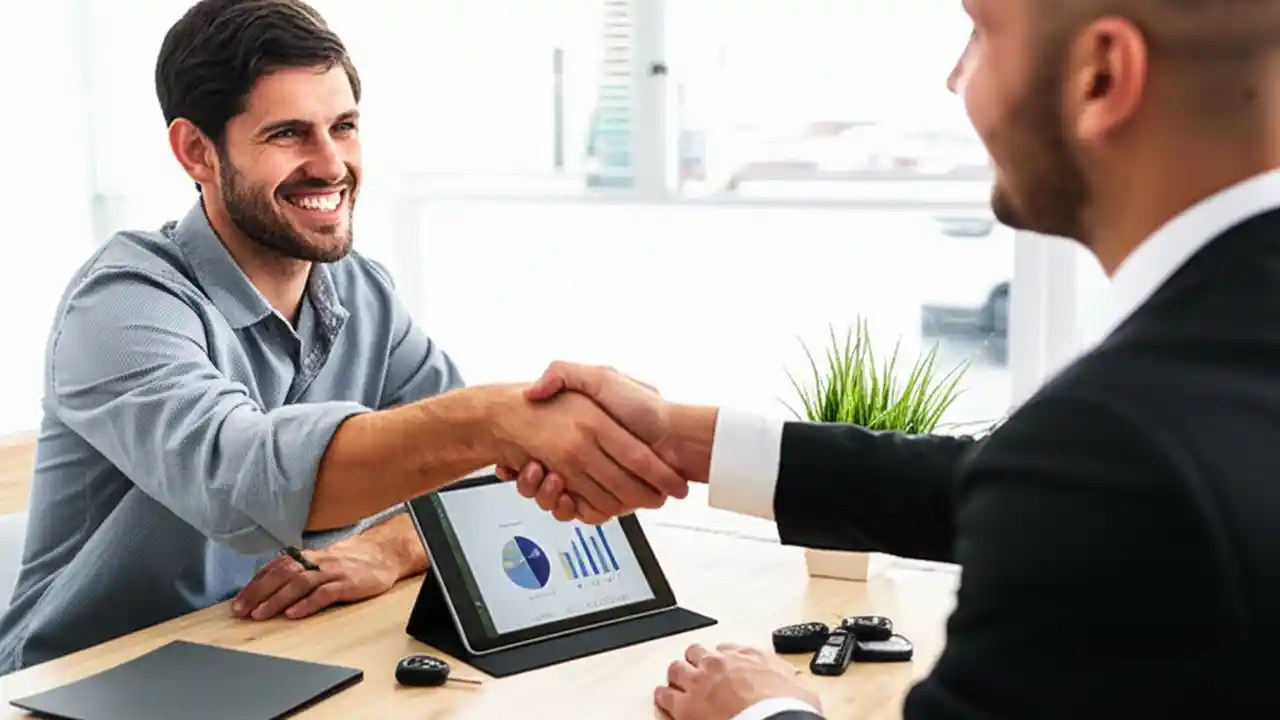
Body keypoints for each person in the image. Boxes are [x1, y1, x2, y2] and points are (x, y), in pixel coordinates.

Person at [506, 0, 1280, 717]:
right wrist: (685, 440)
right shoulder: (1215, 363)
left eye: (980, 31)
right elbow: (989, 485)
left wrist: (762, 709)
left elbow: (1076, 492)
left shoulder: (1113, 447)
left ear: (1101, 75)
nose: (954, 78)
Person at [0, 0, 688, 674]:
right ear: (196, 152)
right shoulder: (122, 304)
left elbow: (474, 476)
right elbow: (241, 481)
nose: (332, 164)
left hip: (271, 653)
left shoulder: (362, 293)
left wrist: (387, 549)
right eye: (288, 134)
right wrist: (493, 417)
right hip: (89, 681)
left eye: (345, 127)